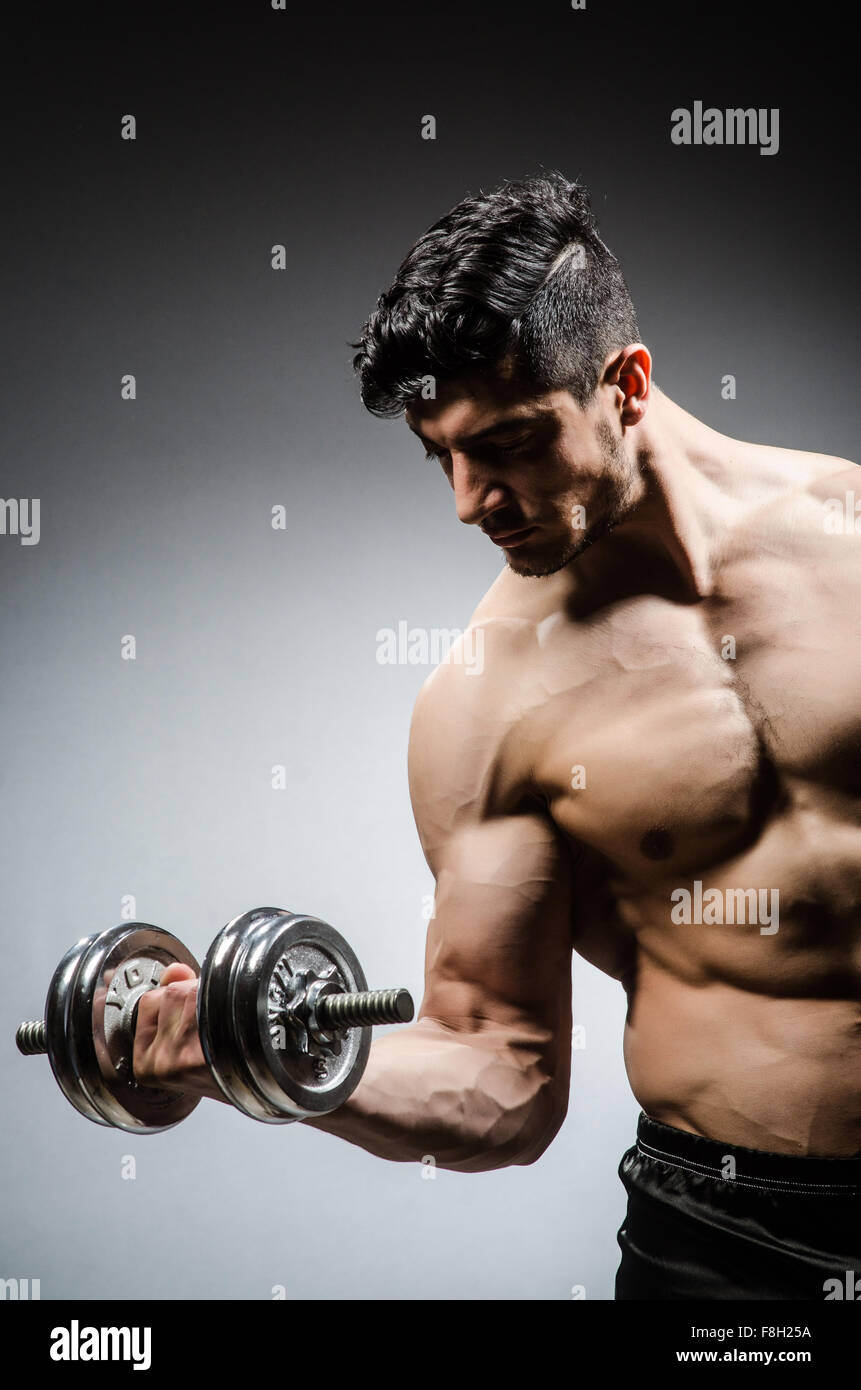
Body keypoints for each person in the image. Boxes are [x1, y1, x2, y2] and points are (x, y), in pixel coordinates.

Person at [133, 170, 861, 1299]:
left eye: (511, 442)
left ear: (626, 384)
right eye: (443, 453)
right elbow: (500, 1074)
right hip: (729, 1240)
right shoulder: (484, 705)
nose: (471, 501)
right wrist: (264, 1055)